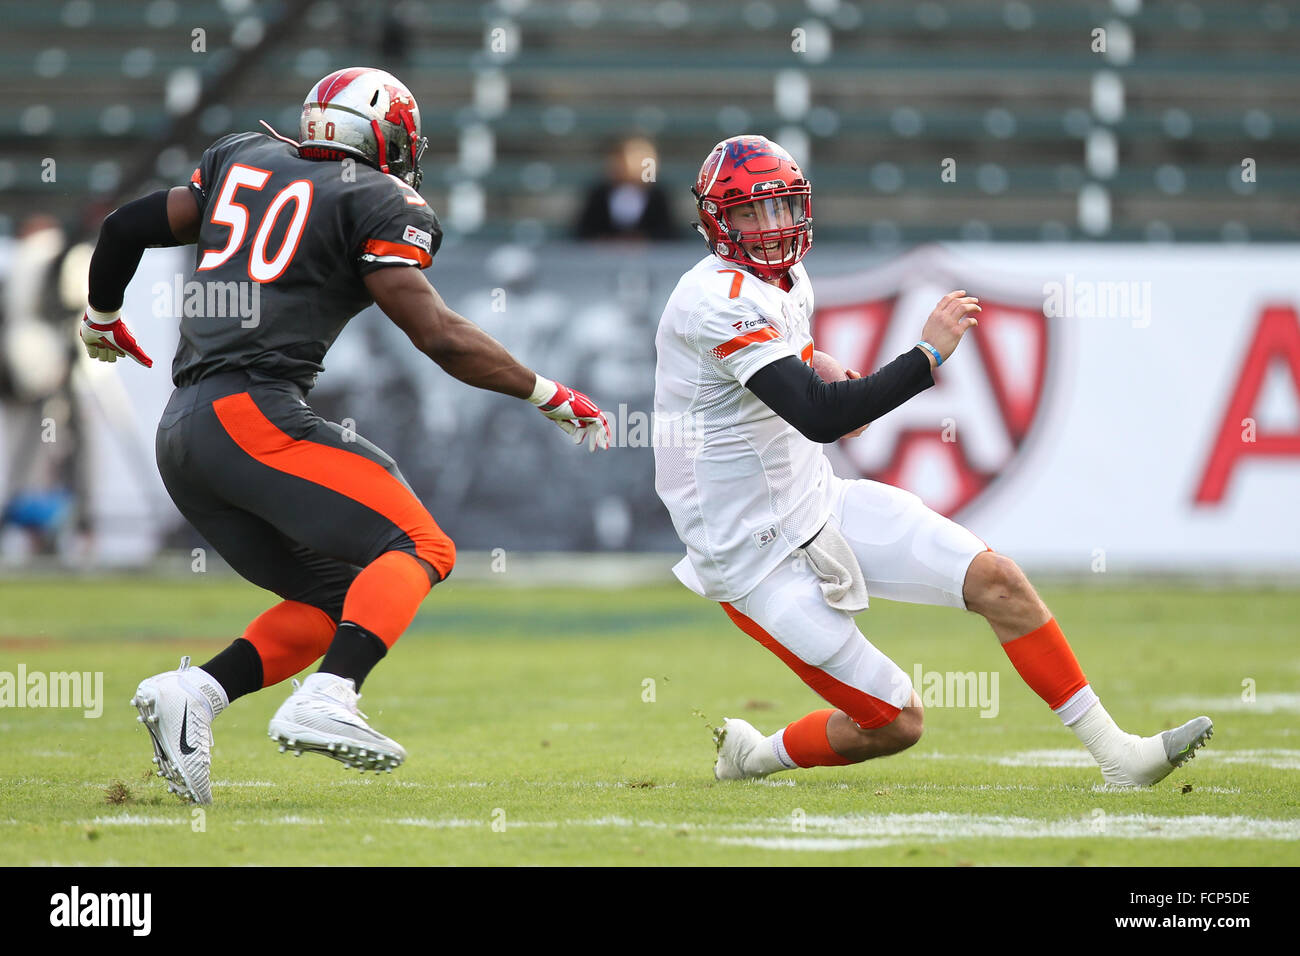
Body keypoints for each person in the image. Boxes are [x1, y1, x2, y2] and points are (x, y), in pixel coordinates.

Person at [79, 68, 611, 805]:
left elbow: (124, 226)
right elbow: (438, 336)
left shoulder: (241, 157)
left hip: (183, 432)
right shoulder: (376, 197)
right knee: (422, 546)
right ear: (386, 139)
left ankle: (195, 693)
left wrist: (102, 317)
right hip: (252, 416)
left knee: (336, 597)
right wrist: (548, 393)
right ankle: (330, 694)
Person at [652, 135, 1212, 786]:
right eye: (754, 212)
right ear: (720, 219)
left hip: (816, 500)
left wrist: (823, 369)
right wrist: (926, 357)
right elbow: (820, 416)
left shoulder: (784, 279)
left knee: (997, 578)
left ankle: (1122, 757)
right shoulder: (711, 299)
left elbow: (798, 377)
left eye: (784, 208)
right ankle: (755, 755)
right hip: (749, 553)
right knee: (896, 723)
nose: (774, 227)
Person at [573, 136, 677, 241]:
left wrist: (643, 240)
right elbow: (584, 231)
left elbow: (668, 232)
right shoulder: (599, 194)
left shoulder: (658, 196)